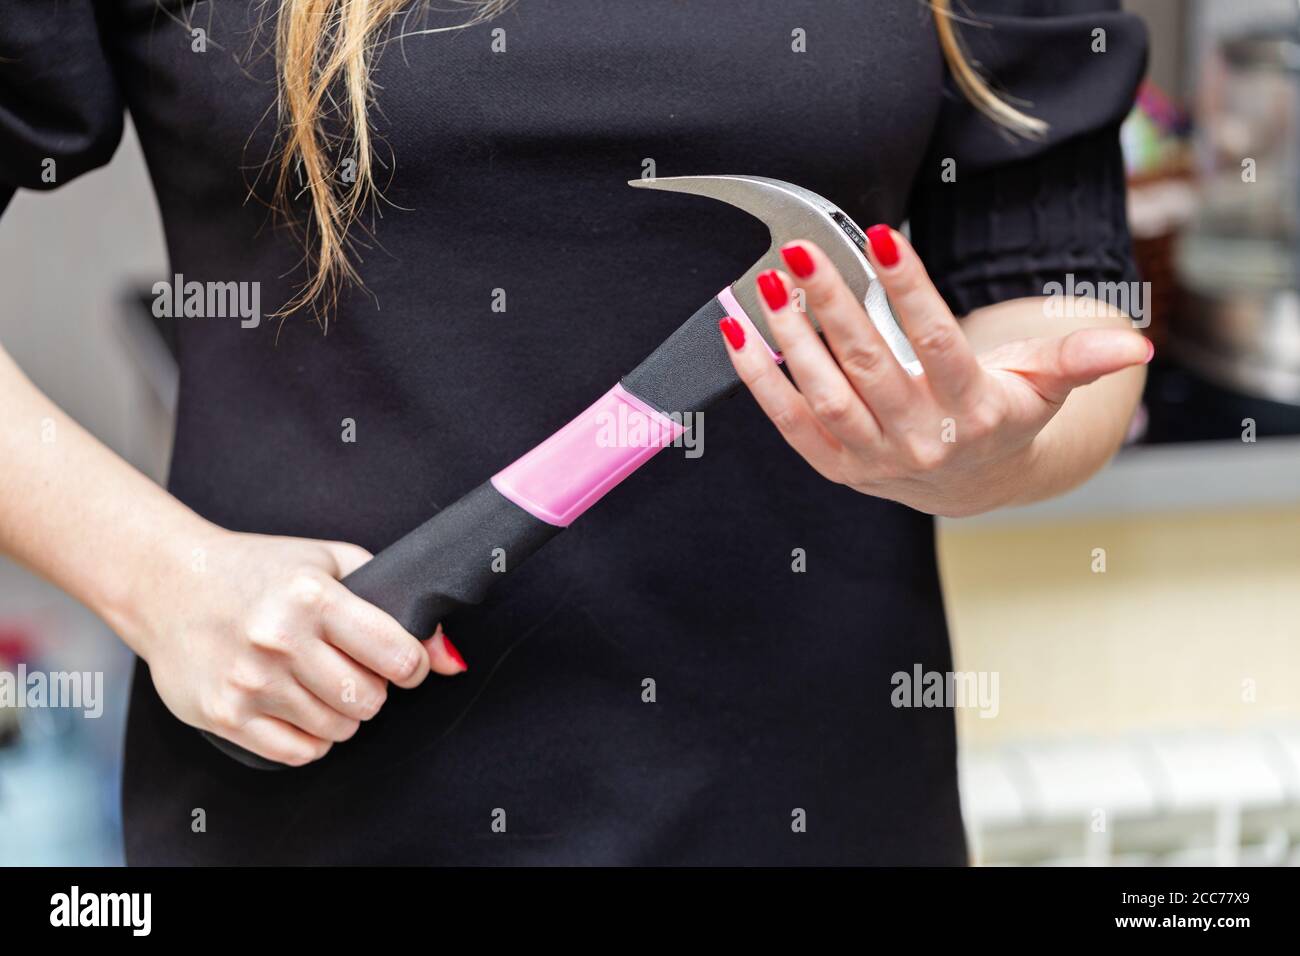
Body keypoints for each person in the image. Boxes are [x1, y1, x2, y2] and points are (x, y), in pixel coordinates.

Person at [0, 0, 1149, 863]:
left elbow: (1060, 288)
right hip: (318, 801)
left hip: (812, 798)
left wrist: (998, 444)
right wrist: (159, 577)